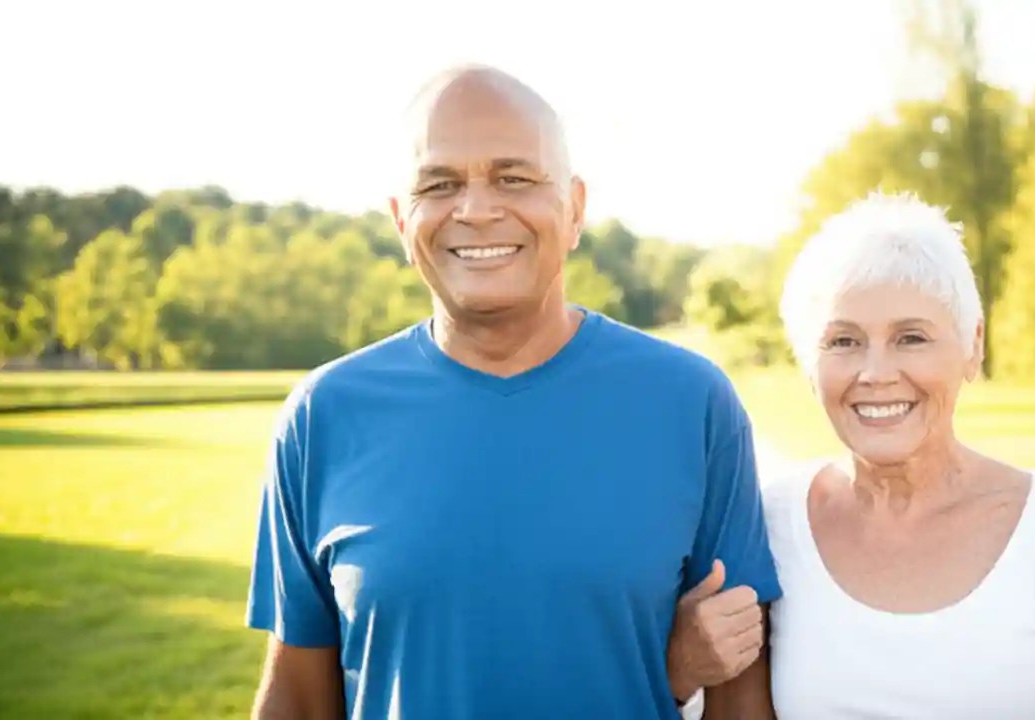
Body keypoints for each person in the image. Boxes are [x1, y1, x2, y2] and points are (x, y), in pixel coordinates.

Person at [243, 64, 781, 719]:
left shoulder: (691, 403)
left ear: (575, 208)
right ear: (399, 220)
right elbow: (297, 695)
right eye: (439, 184)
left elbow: (739, 690)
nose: (476, 209)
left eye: (514, 177)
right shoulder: (322, 416)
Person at [687, 191, 1035, 718]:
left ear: (972, 346)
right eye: (843, 342)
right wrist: (678, 661)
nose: (876, 373)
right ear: (808, 363)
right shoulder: (768, 525)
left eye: (911, 337)